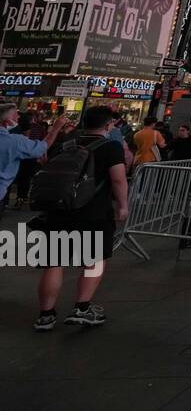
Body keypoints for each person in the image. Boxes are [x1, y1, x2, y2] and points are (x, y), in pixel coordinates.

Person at [31, 105, 129, 329]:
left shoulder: (66, 144)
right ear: (107, 125)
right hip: (93, 211)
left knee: (54, 263)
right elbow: (118, 180)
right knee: (94, 260)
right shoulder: (111, 146)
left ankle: (46, 315)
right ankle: (82, 308)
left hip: (59, 209)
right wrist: (123, 205)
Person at [0, 105, 68, 215]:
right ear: (8, 121)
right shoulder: (15, 142)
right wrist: (56, 128)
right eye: (15, 115)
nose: (18, 117)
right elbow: (43, 147)